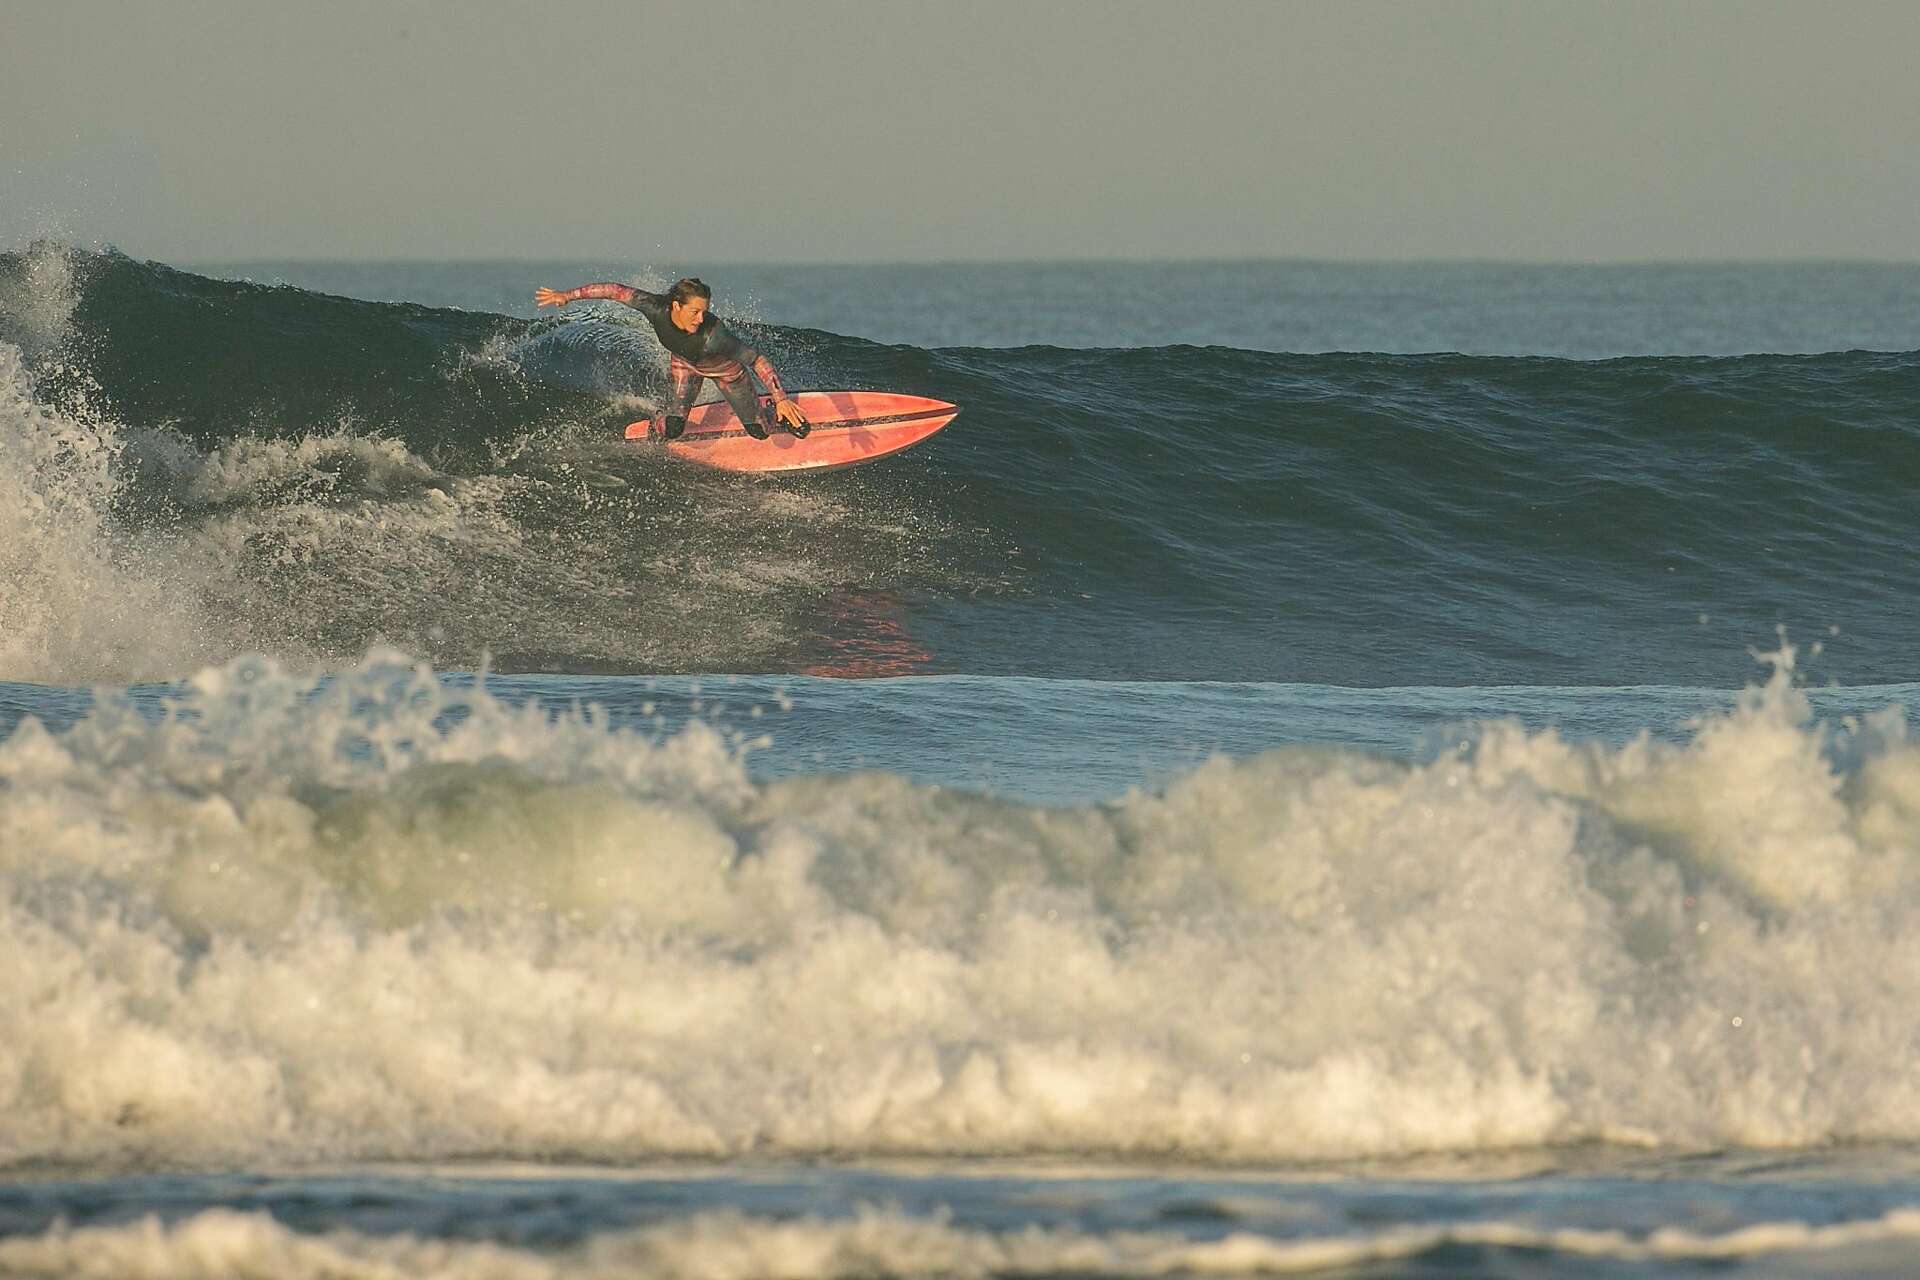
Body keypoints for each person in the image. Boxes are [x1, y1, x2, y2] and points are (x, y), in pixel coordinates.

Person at [534, 277, 808, 440]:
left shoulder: (715, 336)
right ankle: (657, 420)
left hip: (726, 373)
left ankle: (774, 414)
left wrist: (781, 397)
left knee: (759, 433)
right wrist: (566, 296)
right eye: (695, 312)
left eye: (704, 312)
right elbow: (614, 290)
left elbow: (756, 358)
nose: (700, 319)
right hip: (684, 366)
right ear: (676, 306)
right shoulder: (655, 308)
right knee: (672, 429)